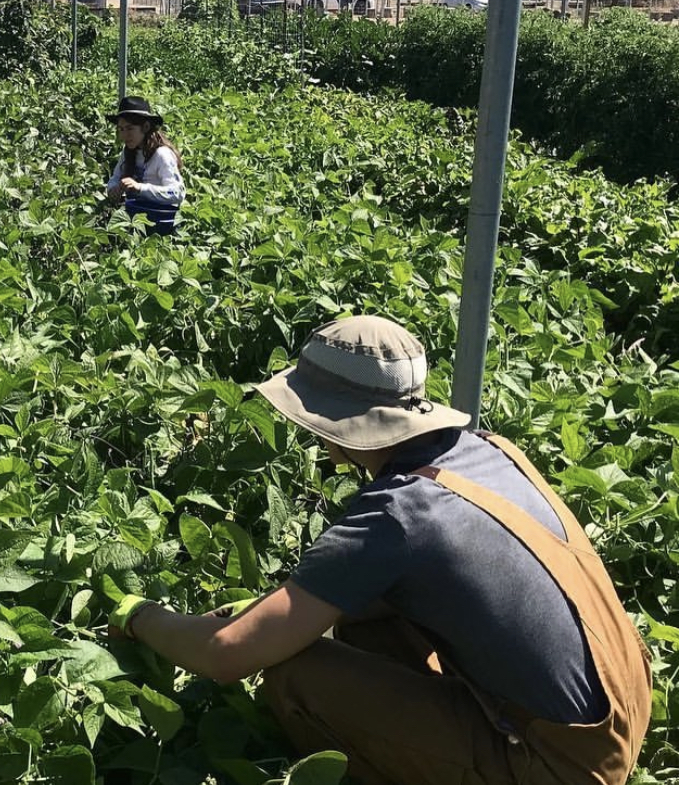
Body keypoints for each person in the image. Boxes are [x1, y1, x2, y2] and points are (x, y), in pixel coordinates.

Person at [110, 315, 651, 785]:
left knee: (296, 676)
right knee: (362, 621)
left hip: (557, 768)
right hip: (620, 715)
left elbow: (226, 654)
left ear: (336, 420)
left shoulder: (398, 513)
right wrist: (275, 615)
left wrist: (139, 617)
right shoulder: (491, 451)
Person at [105, 96, 186, 236]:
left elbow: (177, 193)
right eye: (121, 129)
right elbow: (115, 178)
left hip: (160, 224)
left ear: (146, 127)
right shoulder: (128, 153)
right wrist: (113, 189)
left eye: (129, 128)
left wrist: (140, 188)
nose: (124, 135)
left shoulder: (161, 155)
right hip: (135, 220)